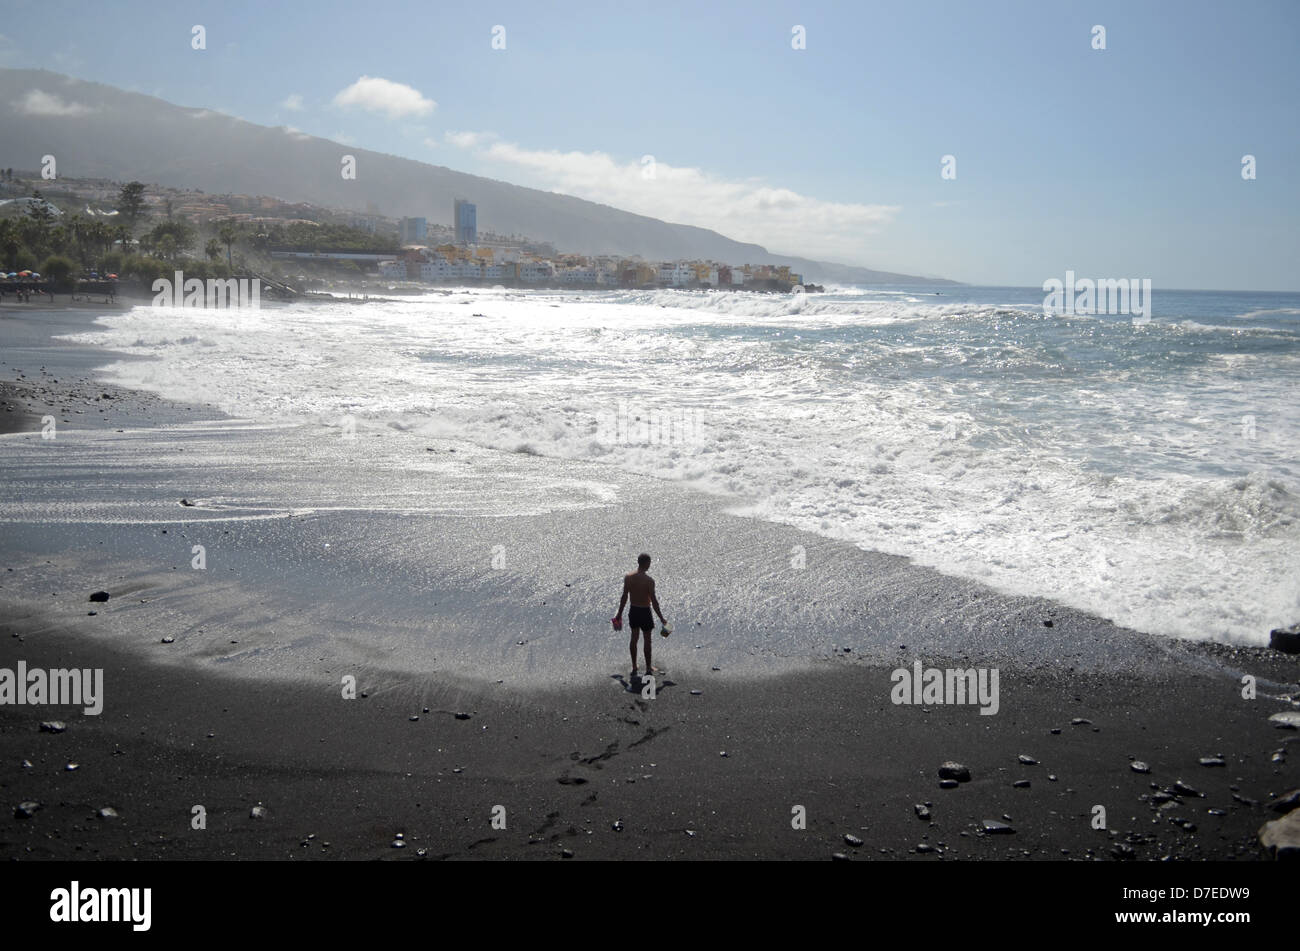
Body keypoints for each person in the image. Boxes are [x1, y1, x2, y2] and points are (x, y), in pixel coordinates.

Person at [616, 553, 665, 678]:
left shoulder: (628, 577)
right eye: (649, 563)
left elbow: (624, 597)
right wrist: (661, 618)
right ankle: (648, 668)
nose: (650, 565)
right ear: (646, 563)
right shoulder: (649, 581)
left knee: (634, 638)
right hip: (645, 612)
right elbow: (654, 601)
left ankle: (634, 666)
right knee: (647, 640)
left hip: (634, 610)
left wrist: (619, 614)